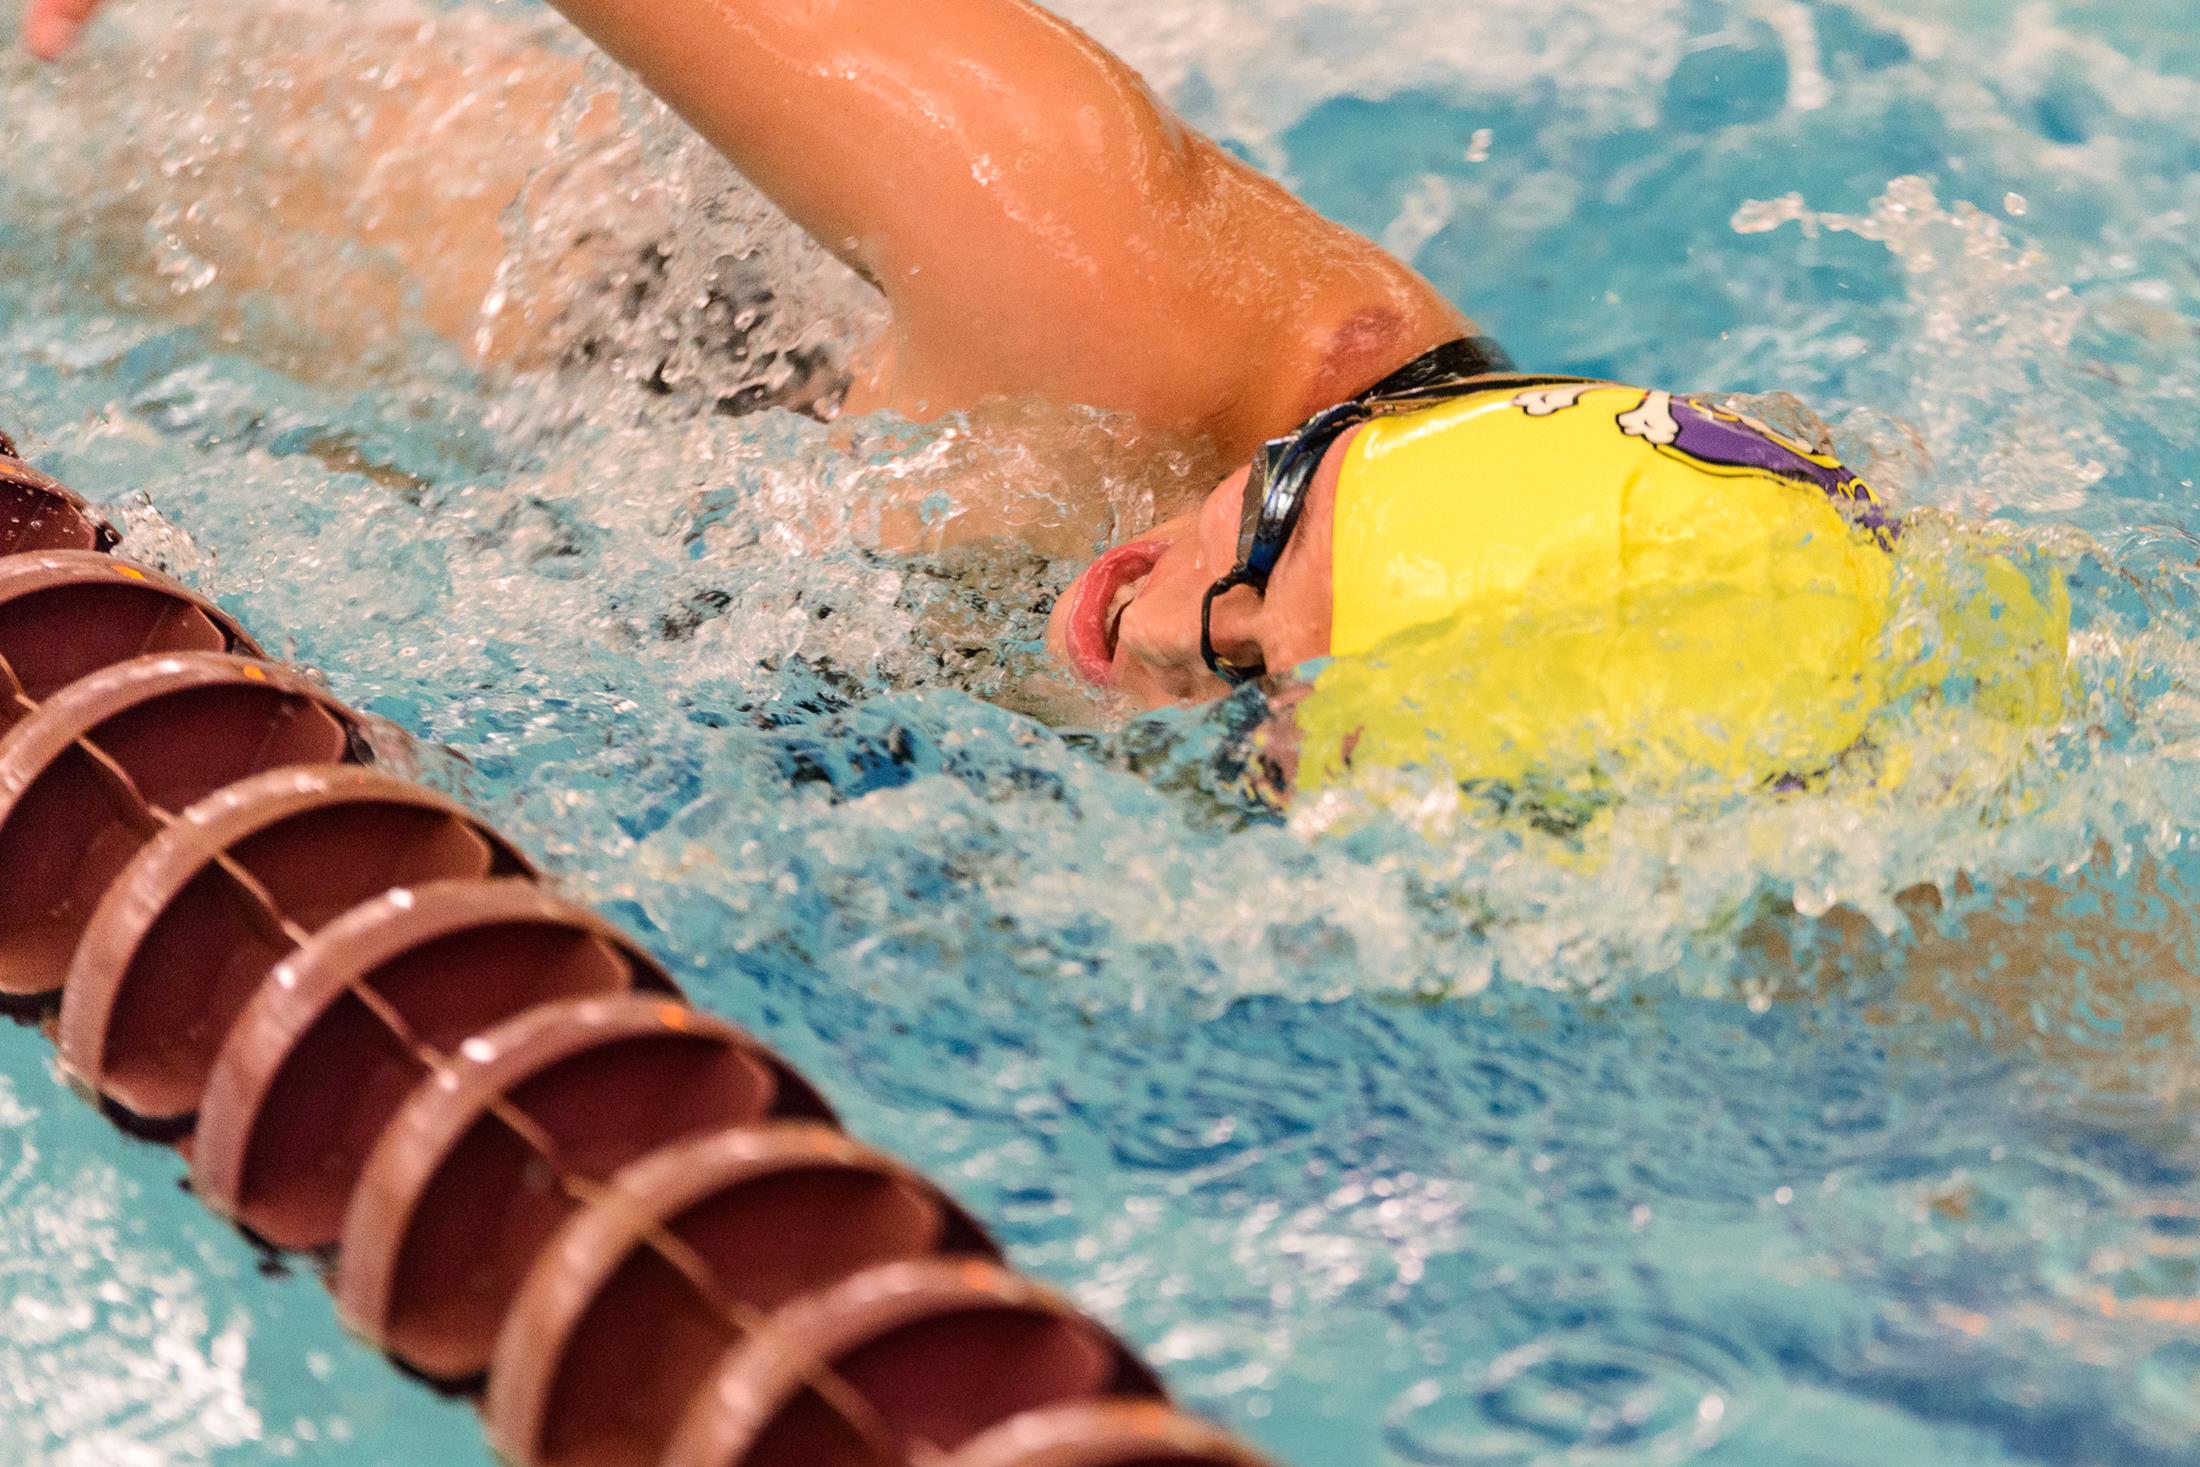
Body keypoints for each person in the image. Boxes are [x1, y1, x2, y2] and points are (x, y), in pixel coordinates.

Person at [19, 0, 2060, 792]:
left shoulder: (1645, 683)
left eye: (1267, 696)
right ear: (1323, 439)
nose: (1162, 632)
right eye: (1258, 562)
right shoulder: (1091, 264)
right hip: (597, 313)